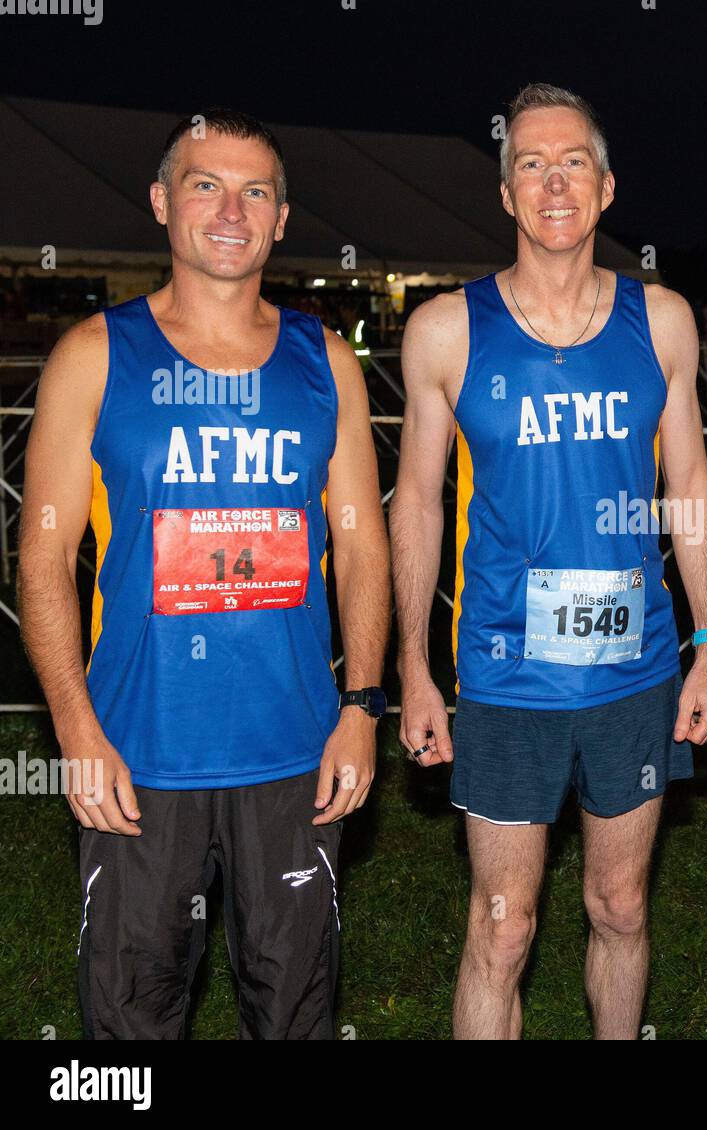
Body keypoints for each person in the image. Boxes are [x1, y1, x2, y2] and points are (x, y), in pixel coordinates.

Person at [18, 109, 390, 1039]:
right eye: (205, 185)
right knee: (130, 1024)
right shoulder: (94, 356)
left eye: (254, 191)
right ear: (160, 202)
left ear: (280, 218)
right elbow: (42, 558)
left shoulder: (326, 360)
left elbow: (364, 546)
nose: (231, 209)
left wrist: (363, 706)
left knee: (296, 1011)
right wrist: (74, 727)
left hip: (296, 755)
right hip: (138, 756)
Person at [390, 83, 707, 1040]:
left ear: (607, 186)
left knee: (620, 907)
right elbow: (415, 499)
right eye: (529, 164)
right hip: (505, 678)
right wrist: (413, 669)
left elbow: (691, 487)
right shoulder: (445, 331)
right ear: (505, 193)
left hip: (636, 674)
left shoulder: (659, 320)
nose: (552, 182)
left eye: (572, 160)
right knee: (503, 930)